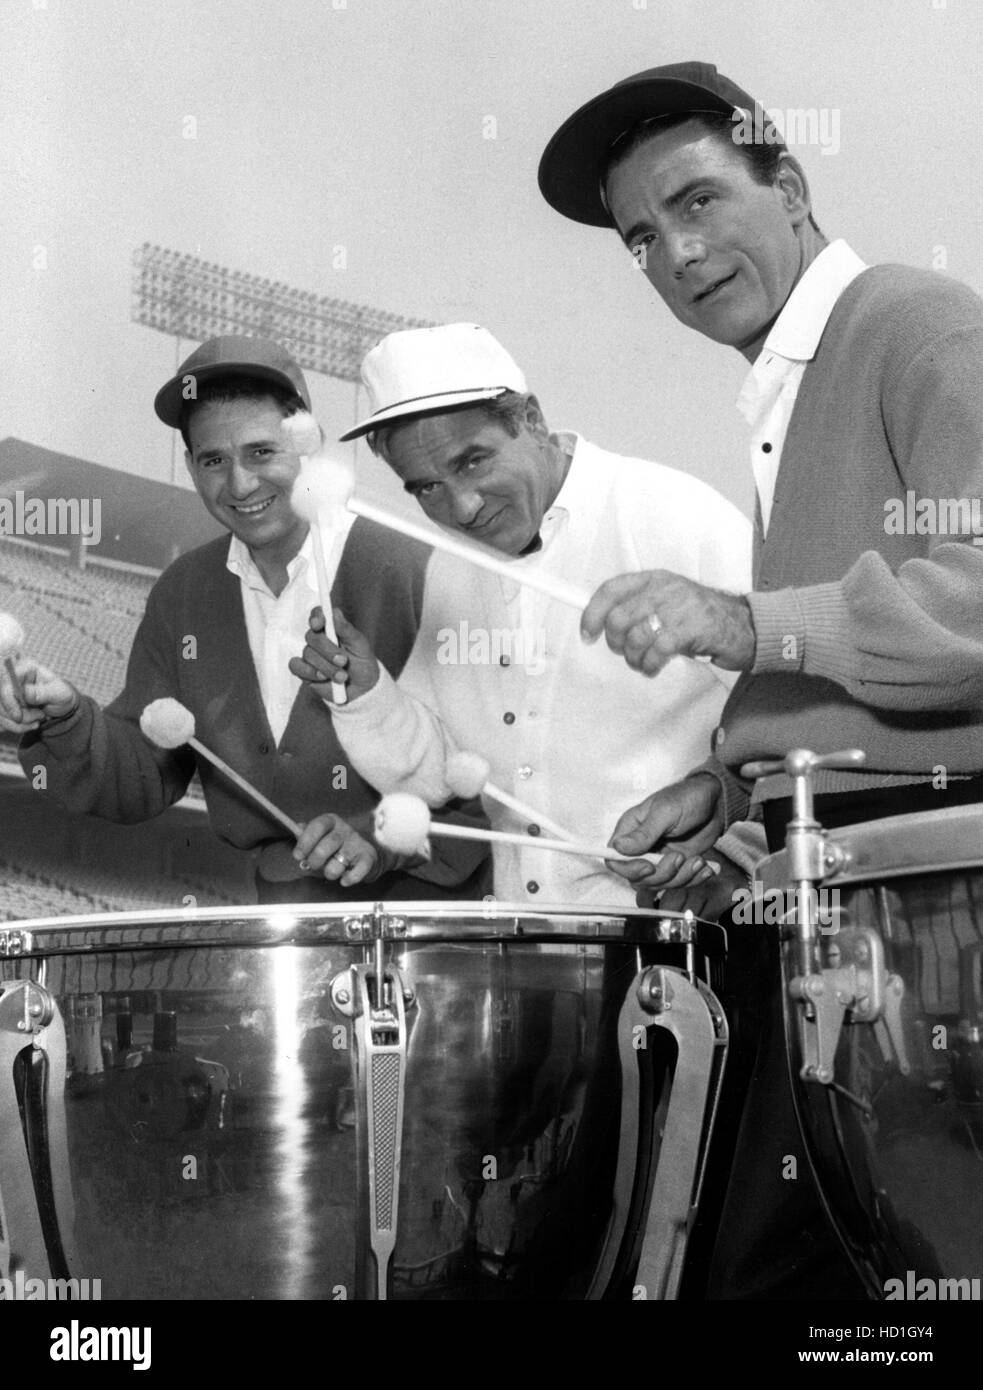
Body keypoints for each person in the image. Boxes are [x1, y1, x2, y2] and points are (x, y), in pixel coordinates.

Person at [537, 60, 983, 1297]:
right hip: (821, 890)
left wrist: (741, 621)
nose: (674, 257)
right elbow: (852, 680)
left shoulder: (911, 321)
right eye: (640, 238)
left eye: (696, 202)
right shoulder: (786, 387)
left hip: (925, 913)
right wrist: (726, 794)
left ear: (786, 183)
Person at [291, 321, 760, 914]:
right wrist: (367, 696)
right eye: (426, 488)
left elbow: (798, 718)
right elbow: (443, 773)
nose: (461, 507)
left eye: (473, 462)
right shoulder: (453, 568)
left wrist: (725, 808)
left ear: (532, 420)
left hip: (709, 936)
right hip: (535, 948)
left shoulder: (673, 515)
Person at [0, 336, 487, 904]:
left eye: (261, 452)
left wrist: (379, 841)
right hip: (279, 919)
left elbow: (484, 782)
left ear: (309, 444)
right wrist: (66, 718)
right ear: (189, 466)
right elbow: (143, 774)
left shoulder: (411, 569)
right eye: (213, 460)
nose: (240, 484)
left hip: (437, 921)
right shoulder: (183, 592)